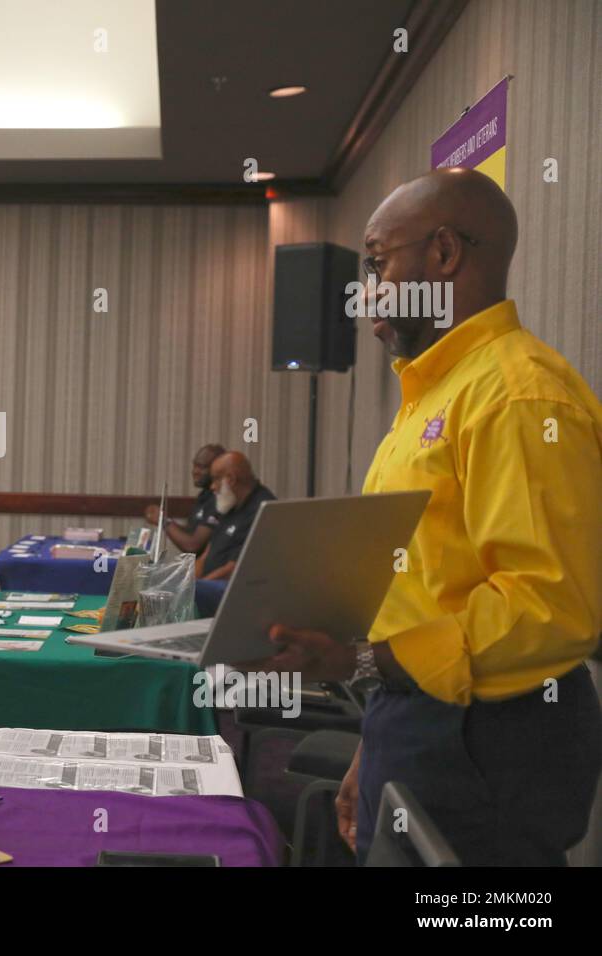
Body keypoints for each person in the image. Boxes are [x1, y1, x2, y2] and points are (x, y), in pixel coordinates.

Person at [245, 168, 602, 865]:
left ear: (443, 255)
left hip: (487, 742)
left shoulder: (519, 396)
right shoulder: (434, 396)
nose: (365, 291)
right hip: (420, 723)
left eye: (377, 264)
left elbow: (551, 605)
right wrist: (375, 748)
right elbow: (419, 597)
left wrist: (360, 662)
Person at [193, 451, 276, 616]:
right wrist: (187, 585)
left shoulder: (262, 509)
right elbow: (206, 555)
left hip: (231, 596)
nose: (212, 487)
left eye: (215, 479)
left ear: (230, 479)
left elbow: (235, 569)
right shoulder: (229, 503)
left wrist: (196, 590)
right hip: (205, 590)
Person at [144, 443, 225, 554]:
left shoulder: (220, 500)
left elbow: (192, 546)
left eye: (202, 467)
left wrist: (163, 520)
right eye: (195, 465)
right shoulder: (204, 495)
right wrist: (164, 519)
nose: (195, 471)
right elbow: (190, 533)